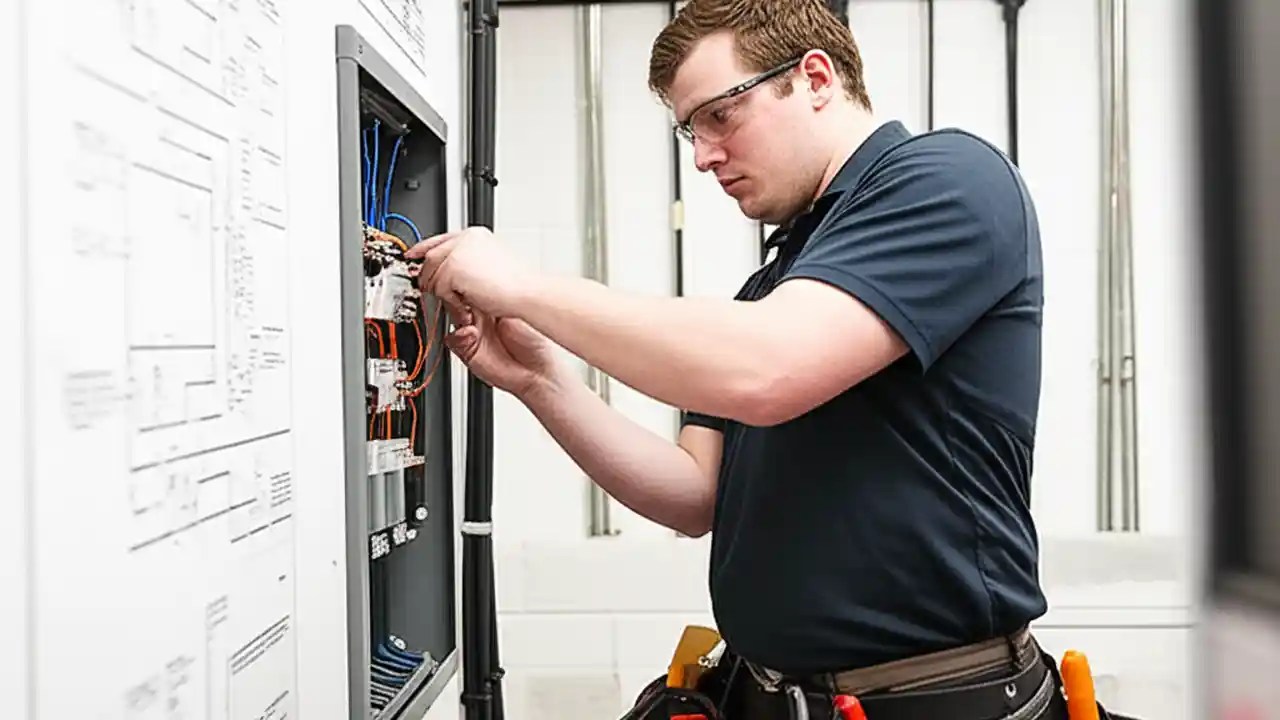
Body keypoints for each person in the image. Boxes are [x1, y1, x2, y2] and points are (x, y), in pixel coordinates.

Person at [409, 0, 1072, 717]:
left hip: (933, 700)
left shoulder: (948, 179)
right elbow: (694, 495)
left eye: (720, 115)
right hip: (773, 695)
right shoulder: (772, 287)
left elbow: (767, 370)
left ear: (815, 78)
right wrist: (541, 380)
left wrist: (527, 289)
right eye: (690, 130)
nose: (702, 155)